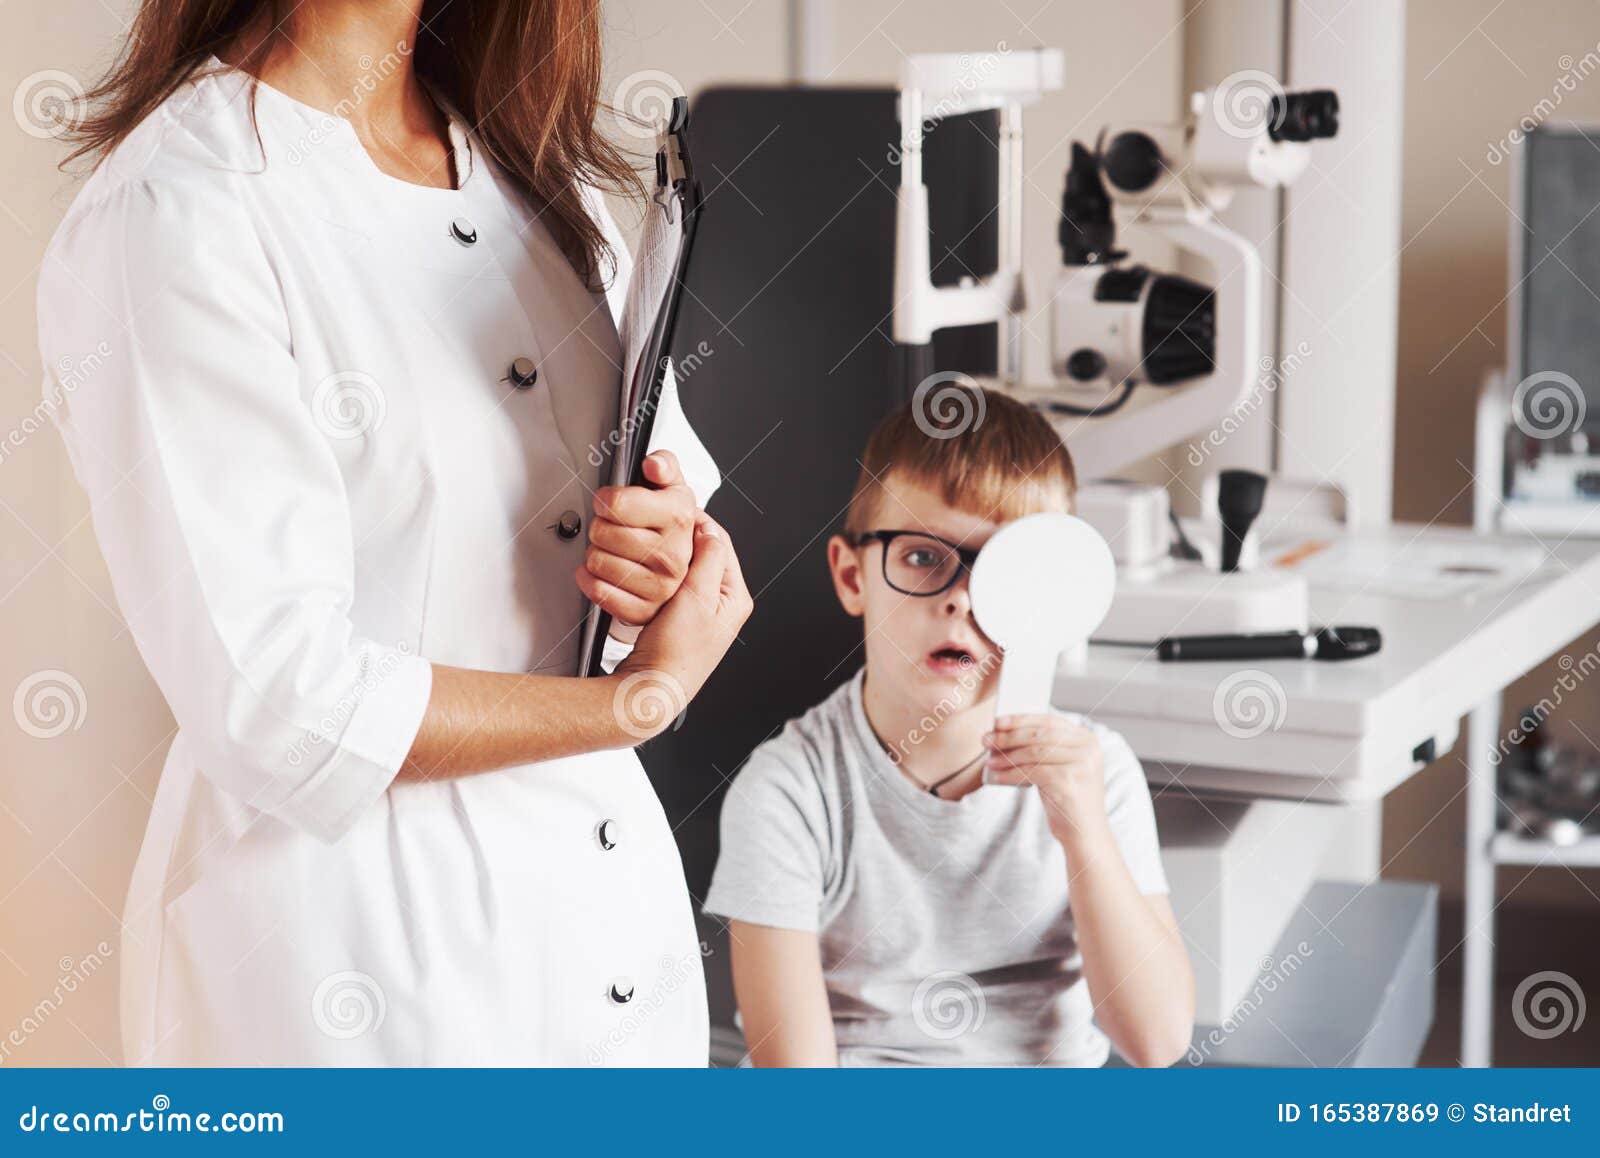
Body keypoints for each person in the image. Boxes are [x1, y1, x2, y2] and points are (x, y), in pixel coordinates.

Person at [35, 0, 750, 1065]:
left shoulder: (527, 170)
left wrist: (669, 558)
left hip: (605, 947)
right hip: (346, 969)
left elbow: (654, 492)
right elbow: (279, 703)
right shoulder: (176, 208)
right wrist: (627, 704)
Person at [703, 386, 1193, 1066]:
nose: (962, 597)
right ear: (852, 576)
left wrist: (1084, 832)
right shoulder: (789, 792)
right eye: (923, 557)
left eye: (1004, 570)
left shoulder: (1098, 772)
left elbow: (1158, 1040)